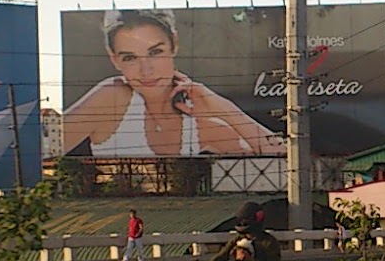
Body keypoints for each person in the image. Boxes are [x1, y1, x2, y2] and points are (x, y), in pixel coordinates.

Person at [63, 9, 284, 159]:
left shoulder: (203, 126)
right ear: (114, 59)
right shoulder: (112, 97)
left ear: (174, 44)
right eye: (129, 58)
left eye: (156, 52)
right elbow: (38, 148)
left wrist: (225, 109)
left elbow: (287, 164)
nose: (146, 69)